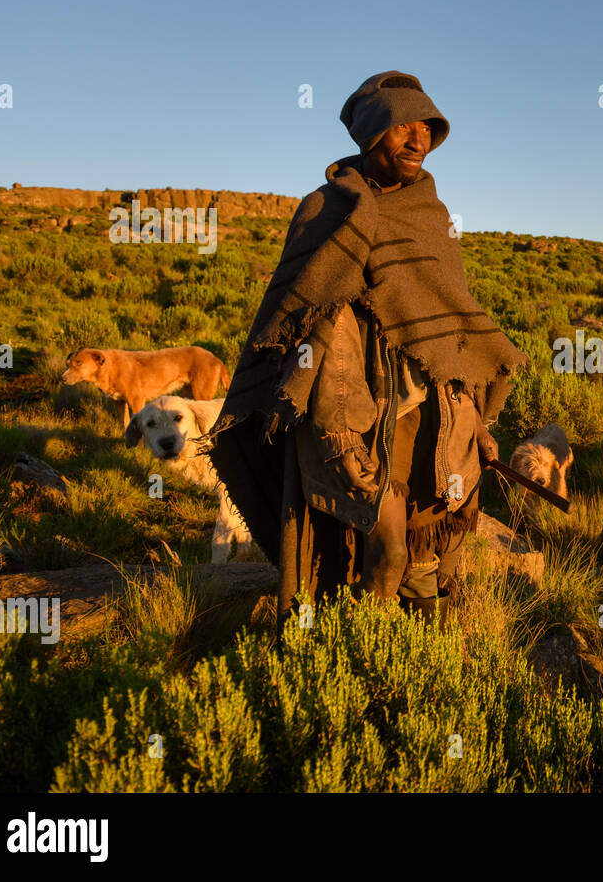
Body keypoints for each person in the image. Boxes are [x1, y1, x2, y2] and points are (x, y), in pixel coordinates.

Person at [207, 71, 528, 630]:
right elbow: (298, 319)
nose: (417, 139)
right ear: (370, 134)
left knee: (425, 558)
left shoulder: (432, 216)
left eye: (426, 127)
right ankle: (357, 661)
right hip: (354, 411)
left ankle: (420, 667)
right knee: (385, 553)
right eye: (401, 126)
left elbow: (451, 326)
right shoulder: (325, 210)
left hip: (432, 413)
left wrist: (476, 420)